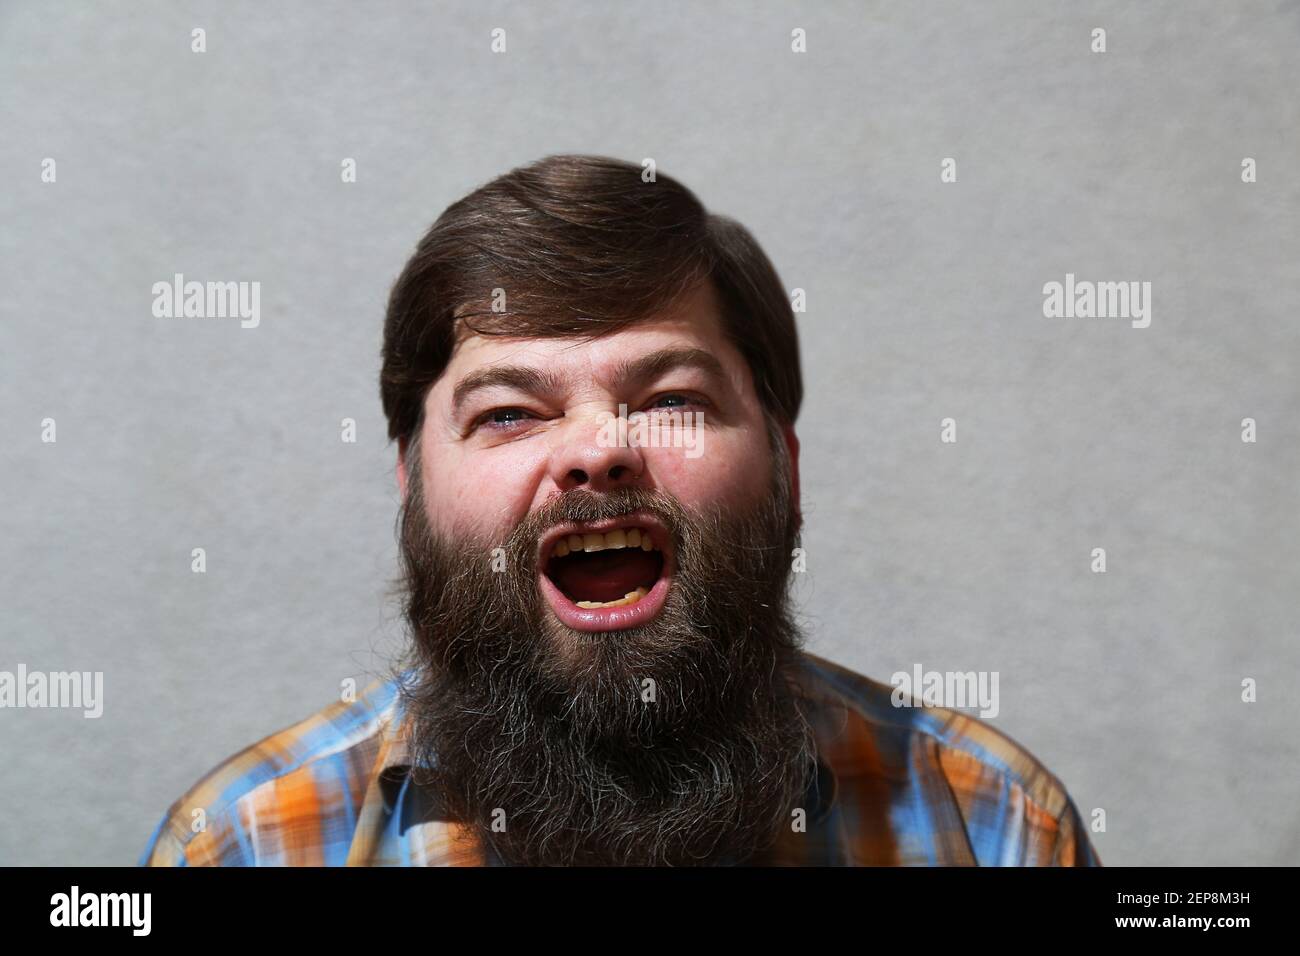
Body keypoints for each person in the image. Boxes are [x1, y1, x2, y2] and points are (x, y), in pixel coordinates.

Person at [139, 154, 1101, 866]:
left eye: (673, 399)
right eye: (509, 412)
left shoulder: (998, 825)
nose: (598, 450)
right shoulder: (235, 847)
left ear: (784, 464)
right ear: (412, 485)